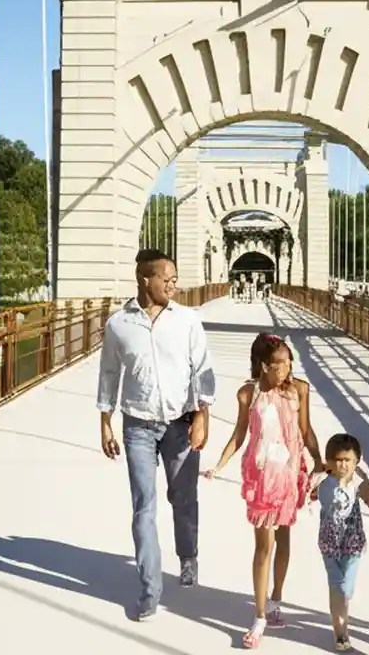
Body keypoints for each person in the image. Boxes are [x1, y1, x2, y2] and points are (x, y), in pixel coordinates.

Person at [97, 248, 216, 621]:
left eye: (175, 280)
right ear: (145, 279)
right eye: (167, 279)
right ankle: (150, 590)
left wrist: (203, 417)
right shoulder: (118, 324)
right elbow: (109, 374)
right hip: (137, 426)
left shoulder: (187, 320)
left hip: (181, 424)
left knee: (183, 497)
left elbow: (202, 369)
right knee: (143, 507)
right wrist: (105, 422)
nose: (173, 285)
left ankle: (188, 556)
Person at [202, 332, 323, 649]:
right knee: (263, 546)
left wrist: (319, 461)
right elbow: (240, 433)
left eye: (289, 362)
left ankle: (276, 601)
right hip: (261, 477)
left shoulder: (299, 390)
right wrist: (219, 465)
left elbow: (305, 430)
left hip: (289, 474)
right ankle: (258, 617)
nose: (286, 368)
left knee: (284, 539)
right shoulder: (248, 393)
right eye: (279, 363)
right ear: (264, 365)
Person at [308, 433, 369, 652]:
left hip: (352, 543)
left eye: (348, 460)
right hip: (329, 542)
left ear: (356, 461)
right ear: (329, 461)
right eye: (338, 460)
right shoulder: (323, 483)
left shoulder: (357, 483)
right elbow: (306, 493)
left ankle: (342, 620)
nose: (343, 465)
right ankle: (340, 632)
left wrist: (364, 477)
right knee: (337, 585)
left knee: (346, 589)